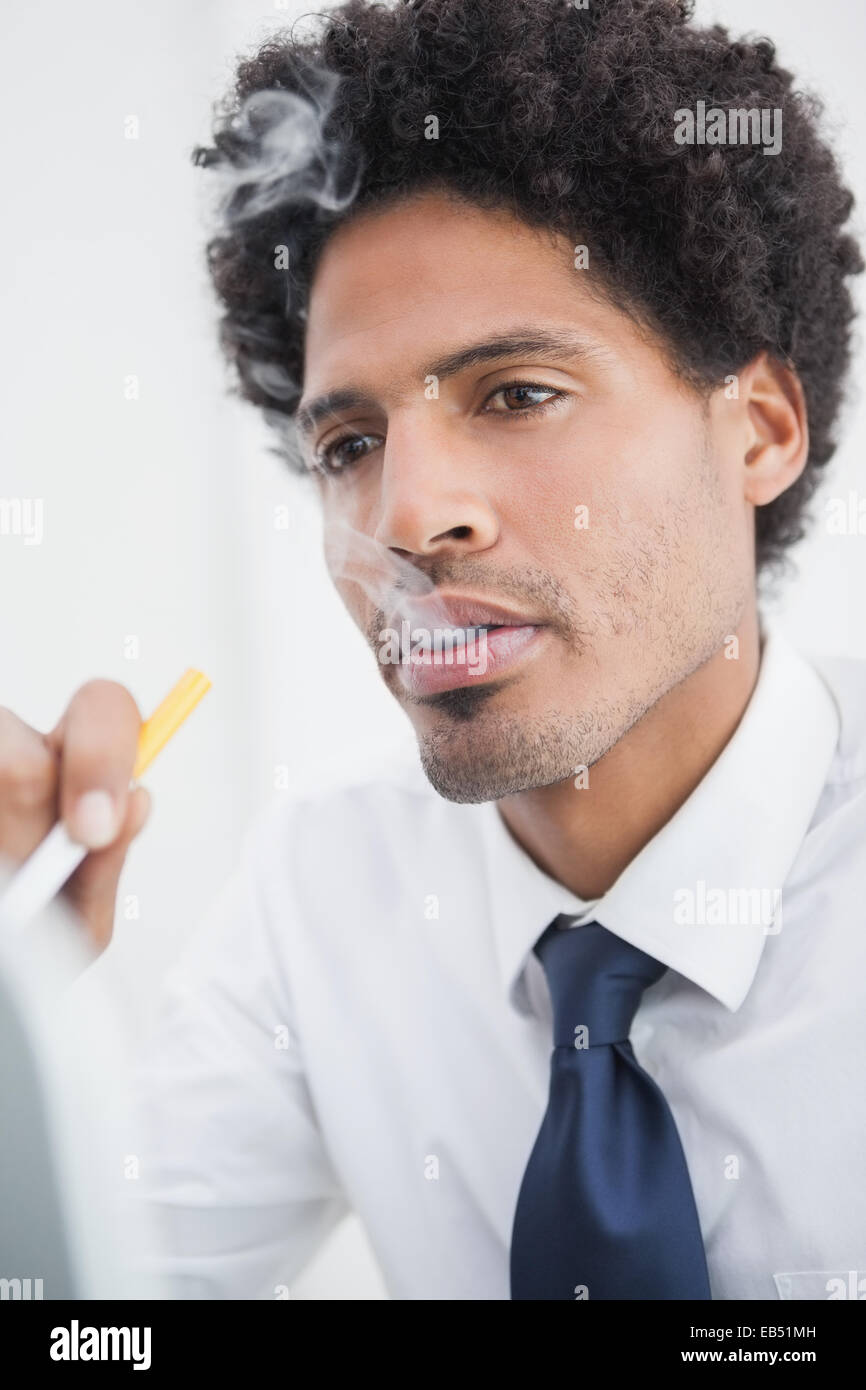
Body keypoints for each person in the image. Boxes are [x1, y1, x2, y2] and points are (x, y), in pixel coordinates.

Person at [2, 0, 865, 1300]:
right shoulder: (327, 895)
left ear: (755, 431)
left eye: (516, 394)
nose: (405, 517)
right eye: (348, 445)